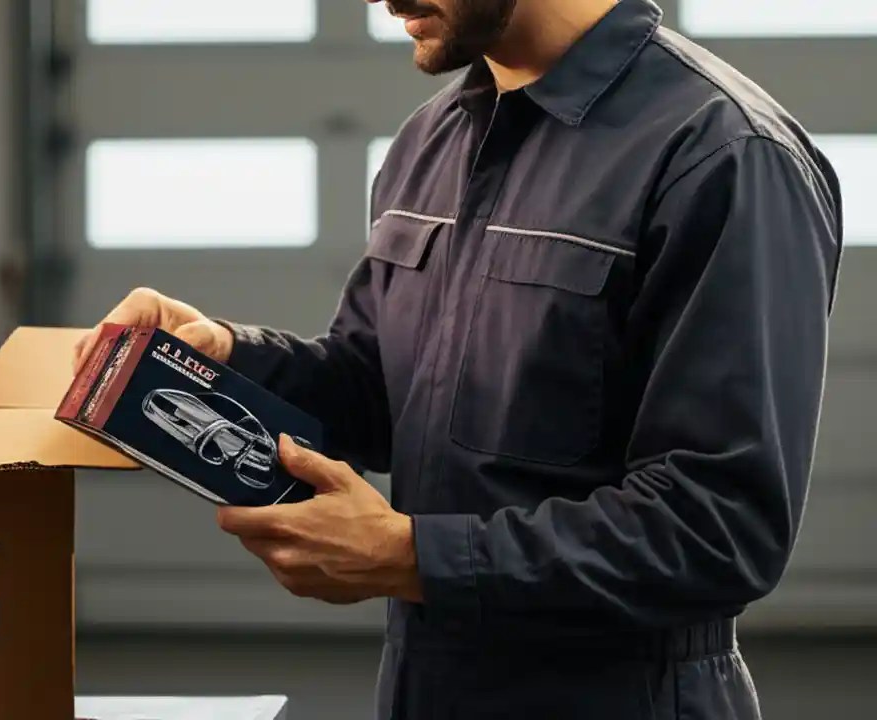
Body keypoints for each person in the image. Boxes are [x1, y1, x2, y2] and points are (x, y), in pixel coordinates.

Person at [73, 0, 843, 717]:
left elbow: (717, 528)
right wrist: (225, 356)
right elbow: (381, 395)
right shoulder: (432, 140)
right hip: (428, 687)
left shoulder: (723, 154)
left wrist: (416, 557)